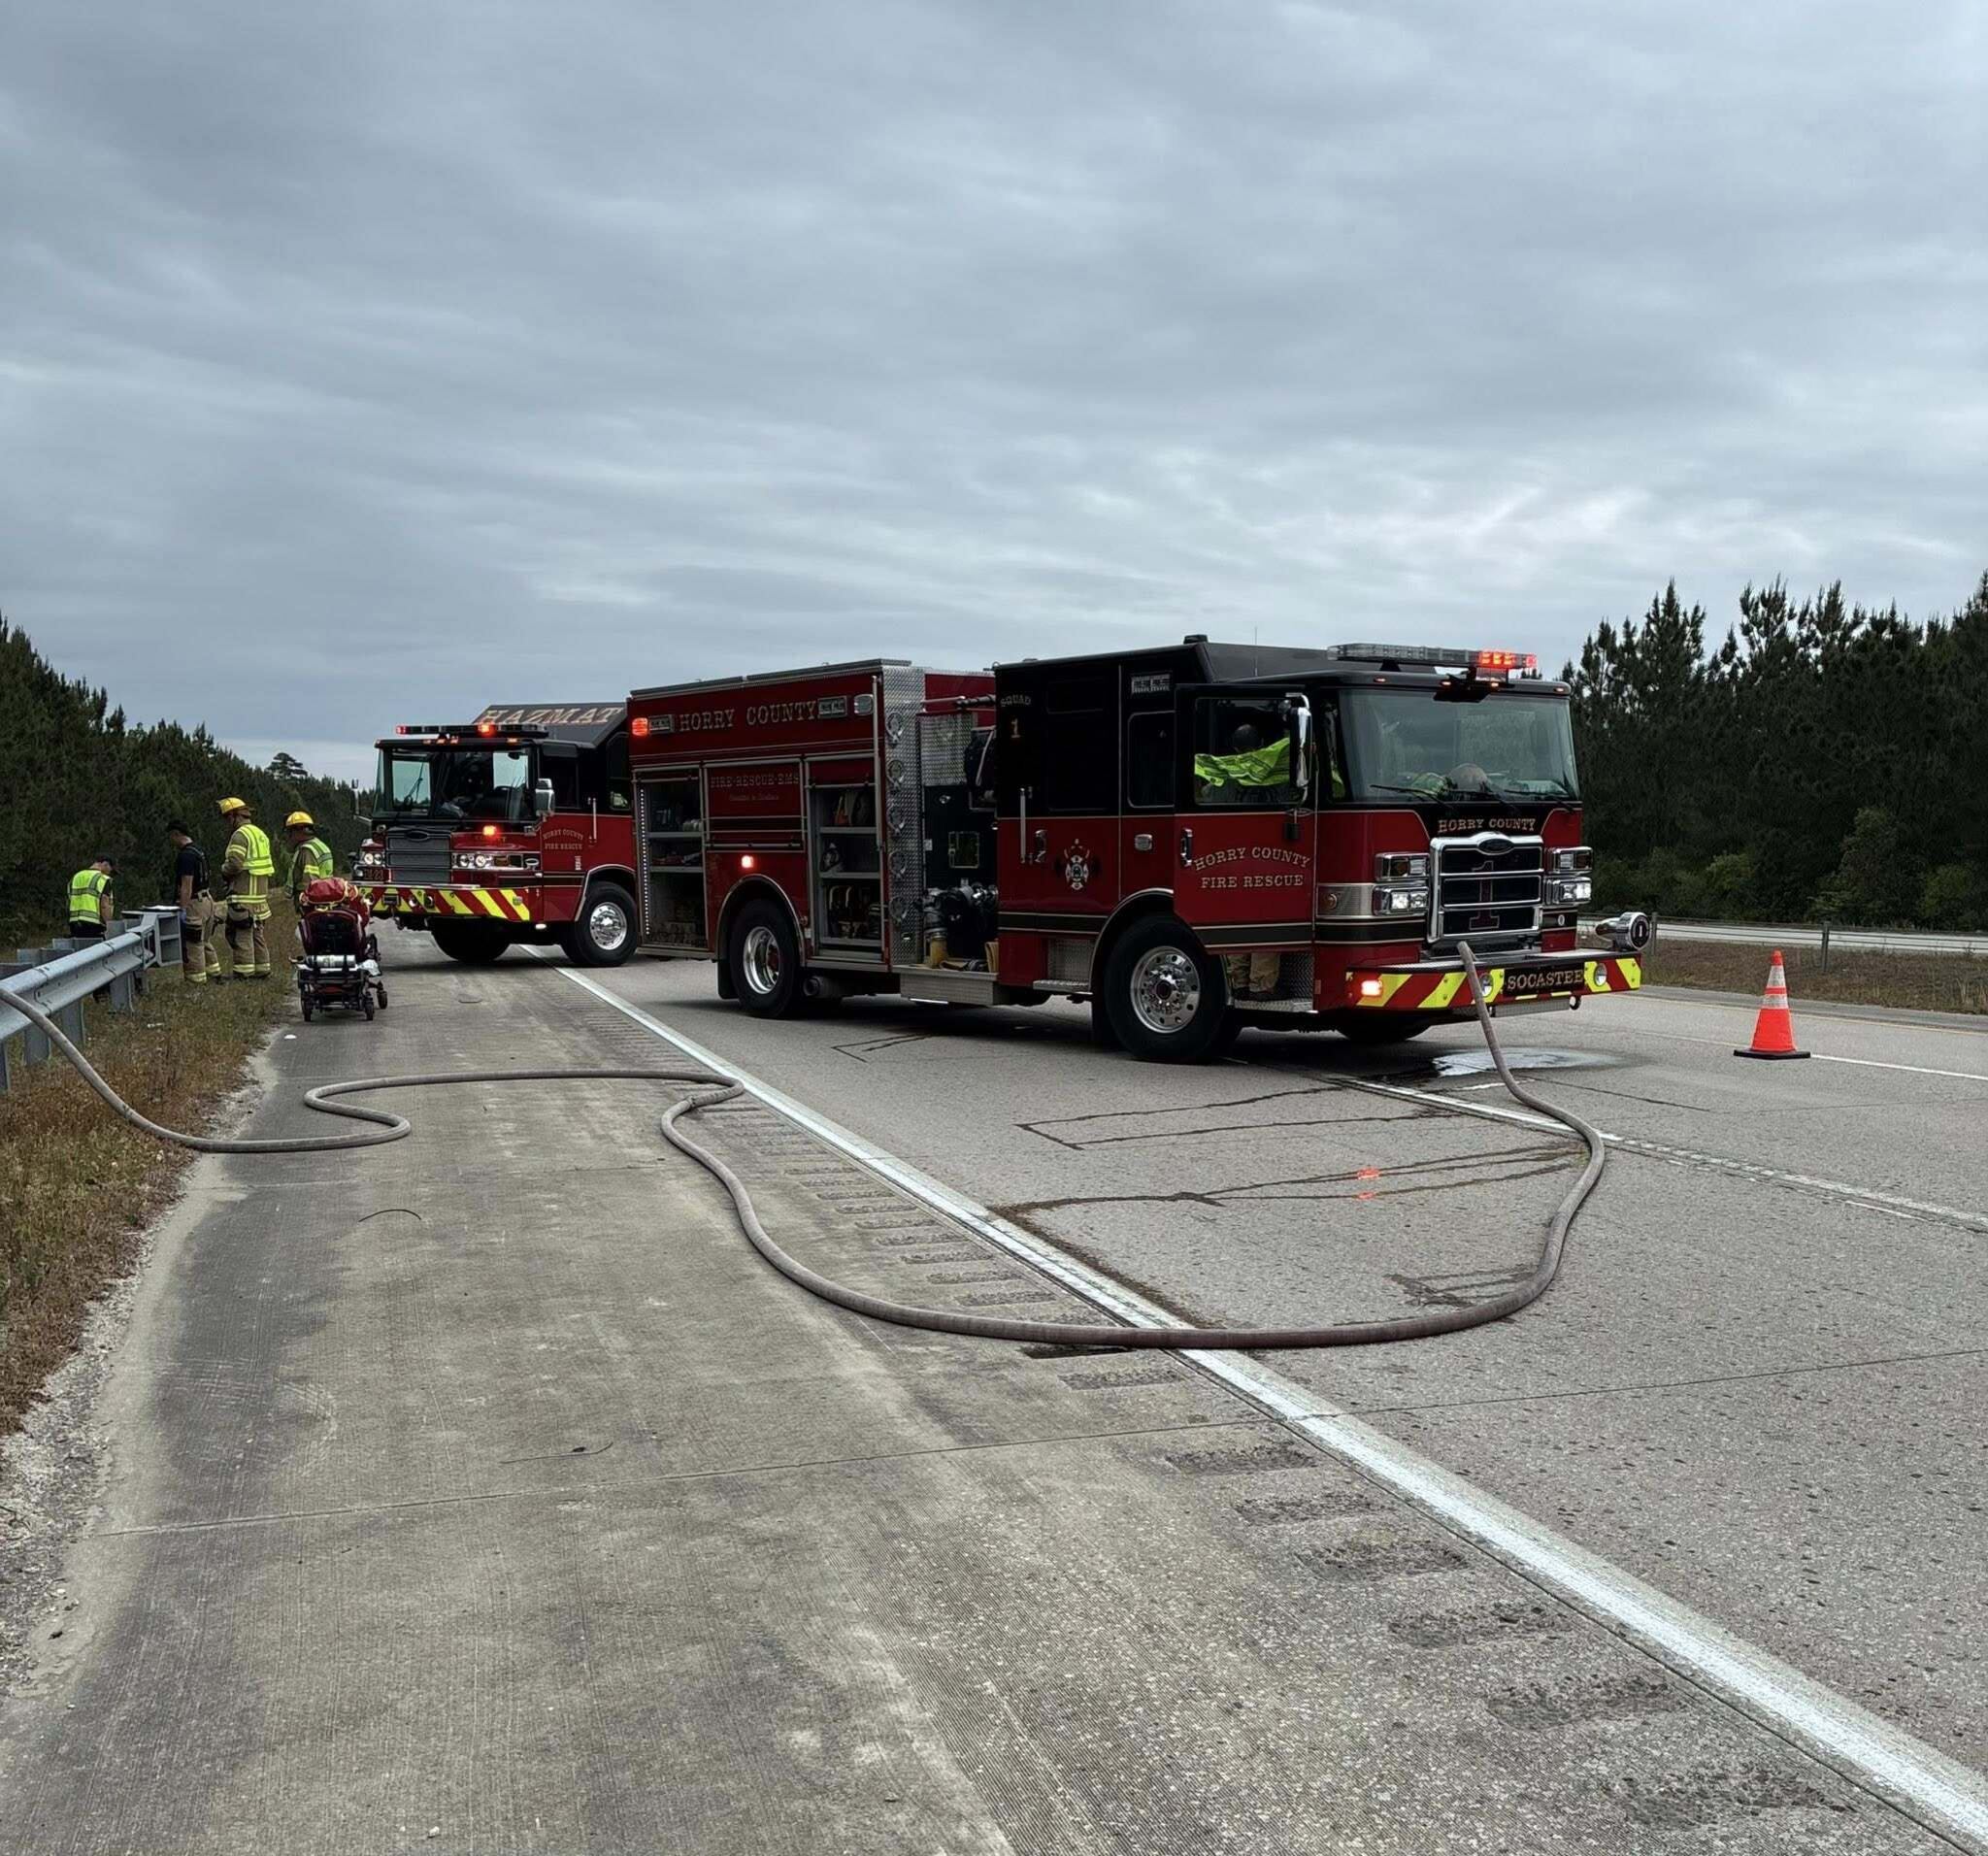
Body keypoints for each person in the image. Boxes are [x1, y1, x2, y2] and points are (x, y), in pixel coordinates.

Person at [216, 796, 275, 978]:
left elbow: (234, 863)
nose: (226, 822)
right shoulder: (260, 834)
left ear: (235, 816)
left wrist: (223, 870)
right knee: (257, 934)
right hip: (260, 896)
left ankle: (244, 974)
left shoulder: (240, 835)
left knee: (241, 936)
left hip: (243, 895)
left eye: (227, 818)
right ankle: (263, 969)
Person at [167, 820, 221, 985]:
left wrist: (182, 909)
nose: (171, 841)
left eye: (171, 837)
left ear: (177, 834)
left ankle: (195, 980)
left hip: (194, 903)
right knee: (204, 940)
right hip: (207, 900)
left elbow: (186, 885)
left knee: (193, 943)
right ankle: (214, 974)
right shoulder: (199, 851)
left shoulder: (186, 856)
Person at [284, 812, 335, 904]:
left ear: (297, 831)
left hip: (314, 899)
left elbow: (309, 880)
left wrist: (304, 899)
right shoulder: (319, 845)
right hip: (325, 893)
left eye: (289, 832)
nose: (288, 836)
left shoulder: (307, 850)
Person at [66, 857, 116, 941]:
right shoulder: (102, 879)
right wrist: (109, 926)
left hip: (74, 922)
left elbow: (69, 900)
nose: (109, 873)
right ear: (105, 864)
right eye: (110, 870)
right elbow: (104, 905)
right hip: (93, 923)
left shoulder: (76, 876)